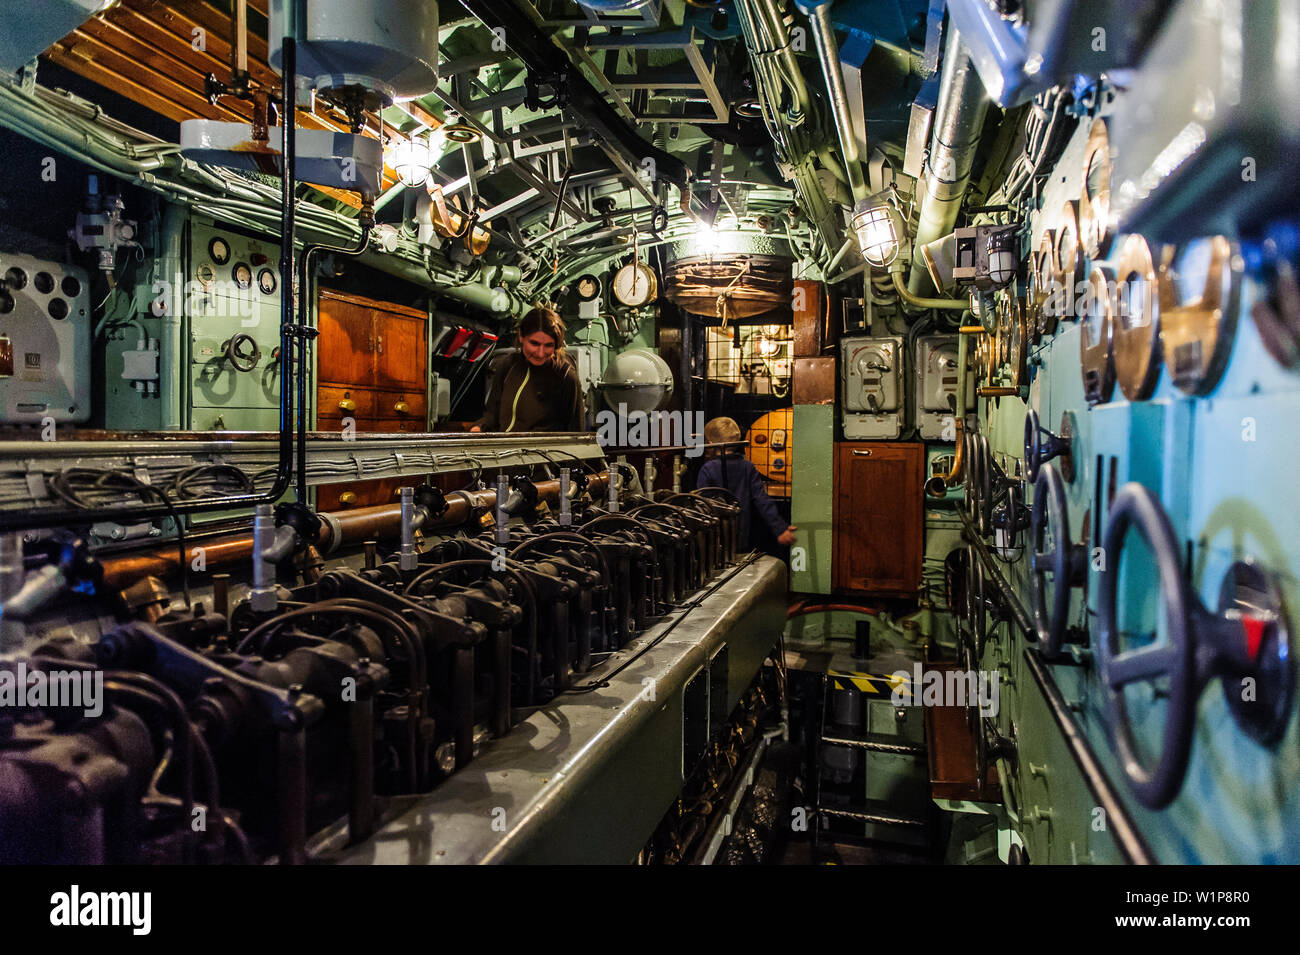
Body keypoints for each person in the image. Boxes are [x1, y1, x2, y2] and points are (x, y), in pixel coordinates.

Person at [471, 306, 585, 432]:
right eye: (534, 343)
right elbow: (492, 413)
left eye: (548, 345)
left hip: (543, 450)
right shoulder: (508, 365)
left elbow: (576, 431)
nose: (540, 353)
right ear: (521, 337)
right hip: (505, 449)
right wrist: (479, 427)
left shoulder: (566, 377)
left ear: (557, 345)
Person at [696, 416, 797, 551]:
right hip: (742, 533)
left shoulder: (708, 469)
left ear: (710, 442)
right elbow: (762, 499)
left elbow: (701, 505)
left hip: (714, 536)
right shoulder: (747, 467)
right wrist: (780, 528)